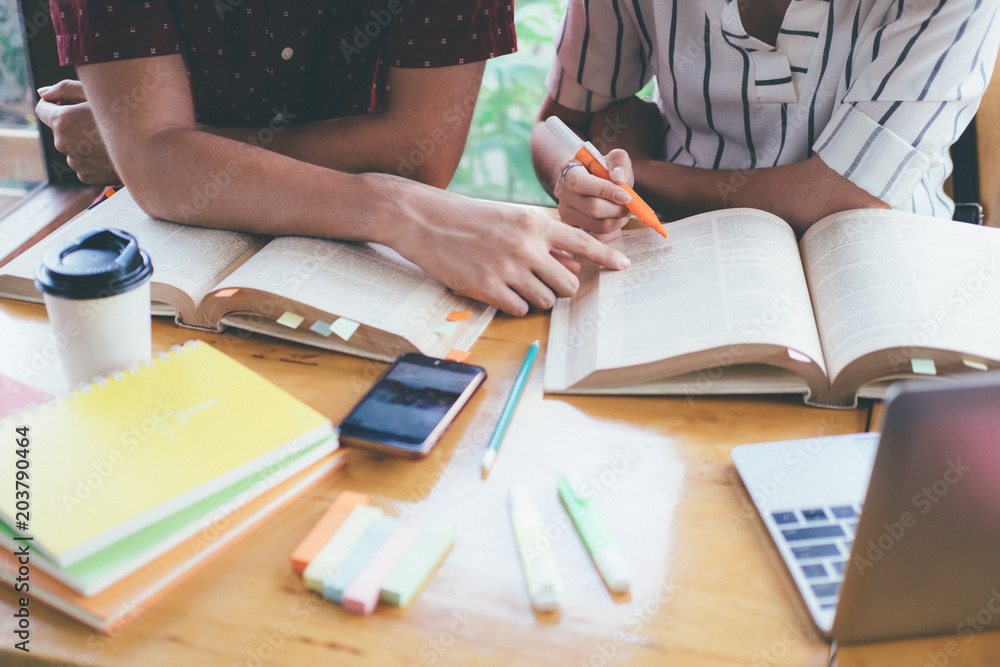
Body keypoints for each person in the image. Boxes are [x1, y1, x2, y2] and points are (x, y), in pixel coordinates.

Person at [36, 0, 631, 317]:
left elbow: (417, 155)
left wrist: (165, 149)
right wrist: (403, 211)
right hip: (156, 276)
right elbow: (157, 166)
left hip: (345, 279)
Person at [531, 0, 1000, 239]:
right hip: (671, 250)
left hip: (877, 262)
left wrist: (643, 176)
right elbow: (561, 124)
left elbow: (839, 196)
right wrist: (573, 177)